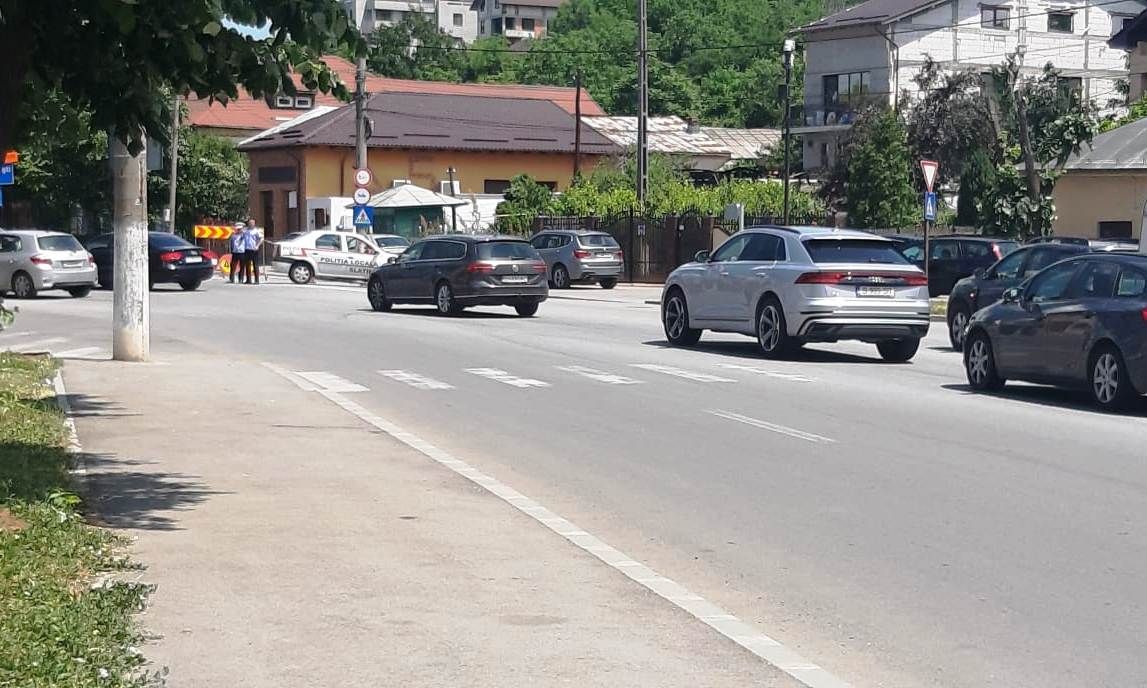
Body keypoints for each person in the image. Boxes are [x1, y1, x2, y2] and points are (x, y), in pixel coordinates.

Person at [242, 218, 263, 285]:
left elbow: (261, 239)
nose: (251, 224)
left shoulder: (256, 231)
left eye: (252, 222)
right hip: (247, 249)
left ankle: (257, 280)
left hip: (254, 250)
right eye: (250, 222)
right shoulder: (246, 231)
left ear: (254, 223)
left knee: (255, 265)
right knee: (247, 265)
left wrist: (257, 246)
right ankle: (248, 280)